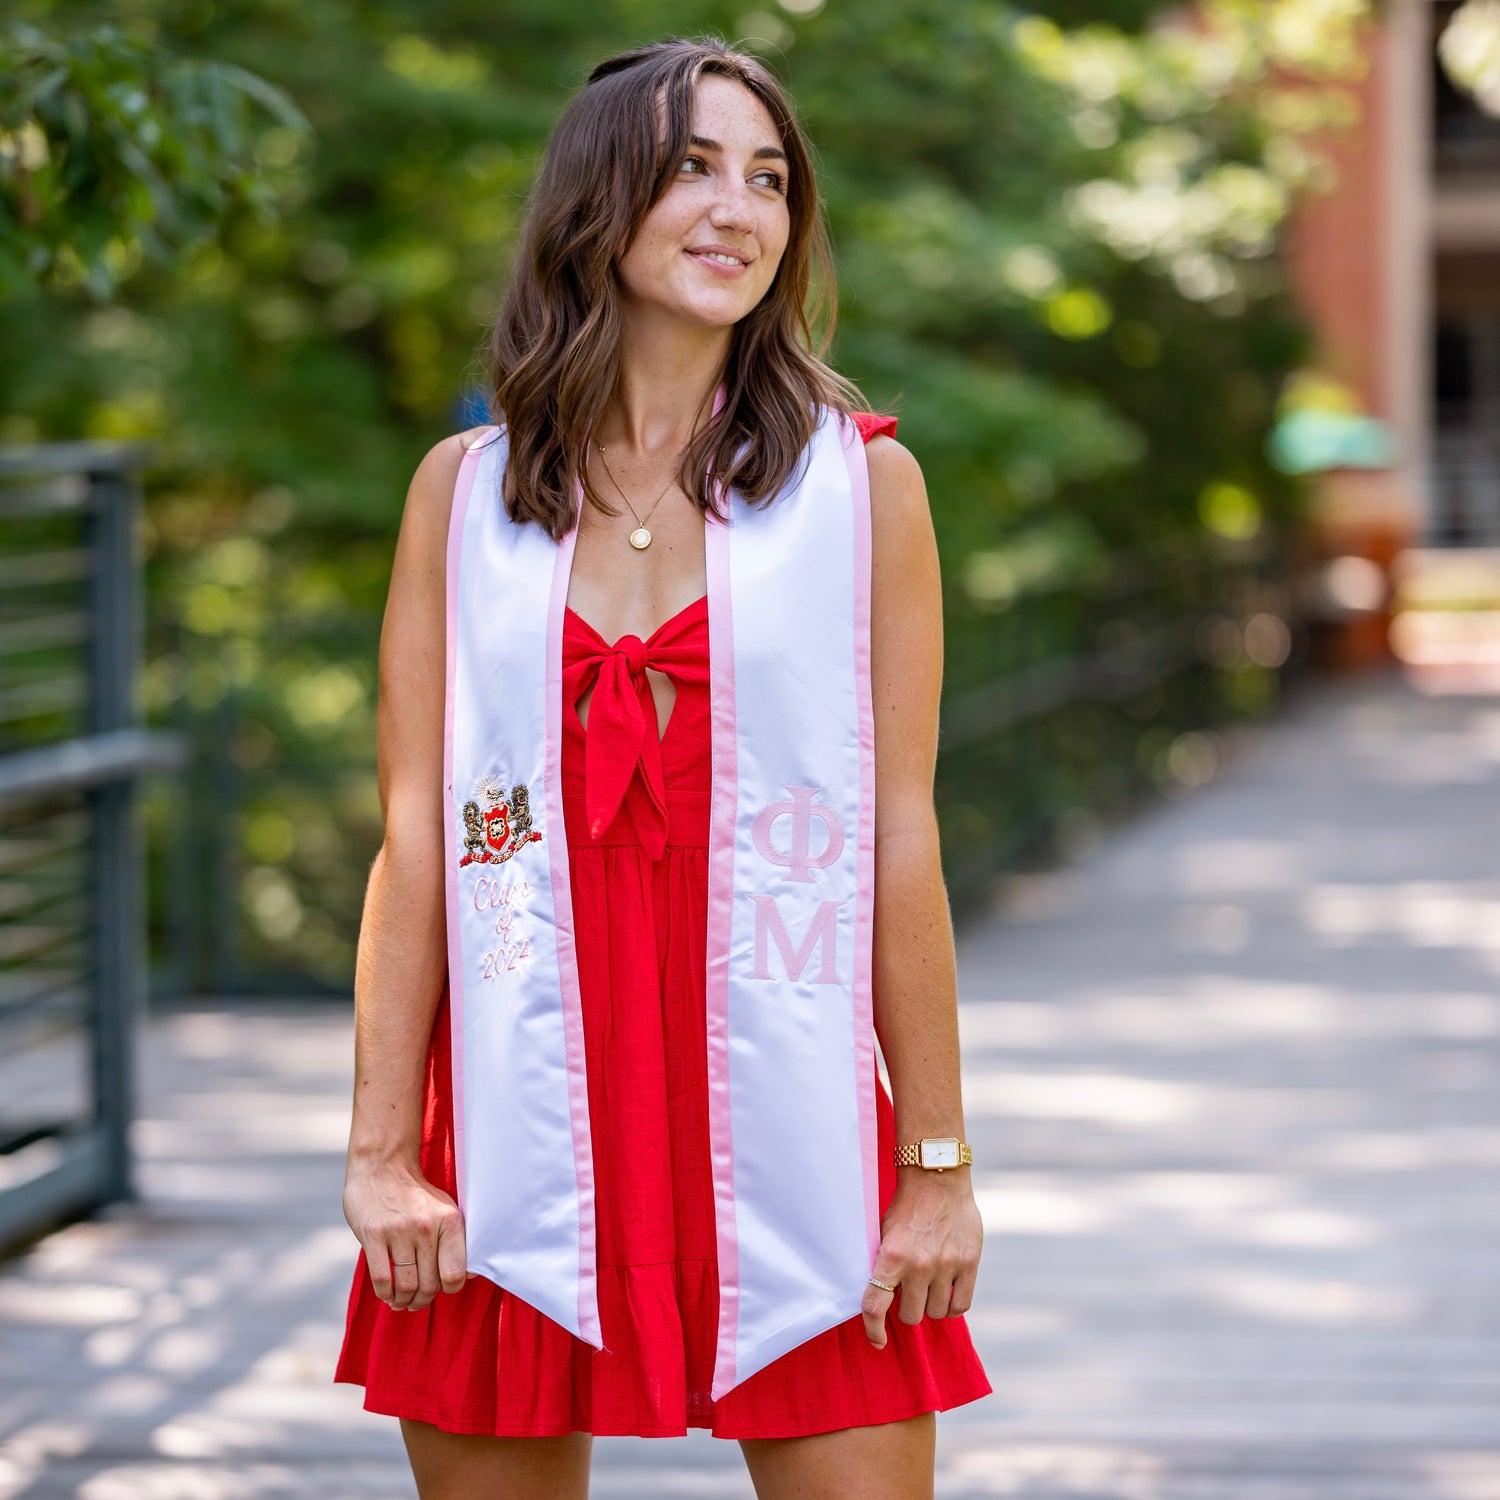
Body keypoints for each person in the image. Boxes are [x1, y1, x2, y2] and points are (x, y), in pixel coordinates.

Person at [334, 33, 991, 1499]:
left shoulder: (859, 490)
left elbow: (900, 836)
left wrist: (937, 1166)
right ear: (600, 201)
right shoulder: (464, 500)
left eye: (769, 180)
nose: (738, 209)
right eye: (693, 168)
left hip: (793, 1106)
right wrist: (381, 1155)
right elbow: (420, 840)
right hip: (517, 1107)